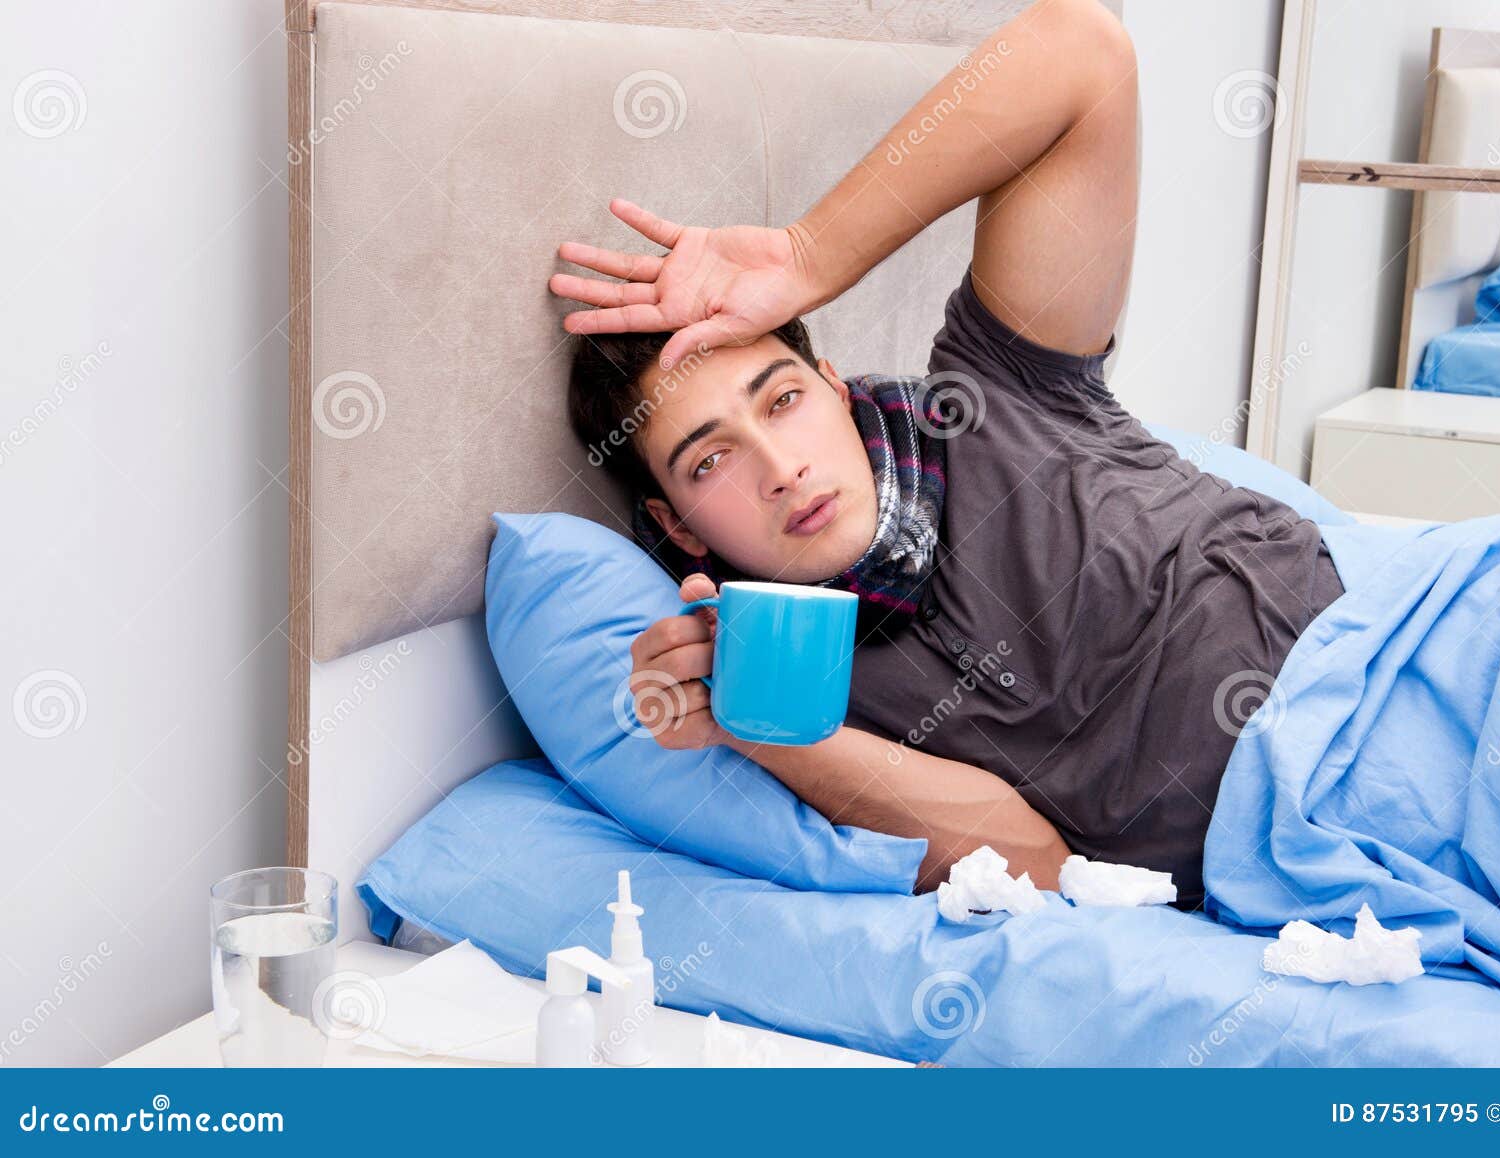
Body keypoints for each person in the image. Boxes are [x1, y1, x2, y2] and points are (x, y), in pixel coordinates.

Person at [550, 0, 1342, 907]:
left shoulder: (996, 389)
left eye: (784, 398)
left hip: (1407, 644)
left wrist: (809, 253)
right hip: (1325, 841)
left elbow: (1084, 50)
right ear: (673, 527)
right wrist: (757, 723)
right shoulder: (798, 685)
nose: (779, 465)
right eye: (707, 462)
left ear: (838, 390)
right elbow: (1038, 867)